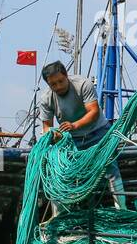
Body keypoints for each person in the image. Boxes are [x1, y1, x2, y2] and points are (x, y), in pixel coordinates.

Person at [39, 61, 125, 208]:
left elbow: (93, 111)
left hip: (98, 133)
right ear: (48, 84)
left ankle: (122, 209)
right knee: (61, 172)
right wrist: (54, 135)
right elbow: (47, 127)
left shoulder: (83, 84)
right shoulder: (46, 98)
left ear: (67, 76)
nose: (58, 86)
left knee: (111, 169)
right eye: (53, 84)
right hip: (72, 140)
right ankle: (60, 216)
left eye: (61, 81)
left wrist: (74, 125)